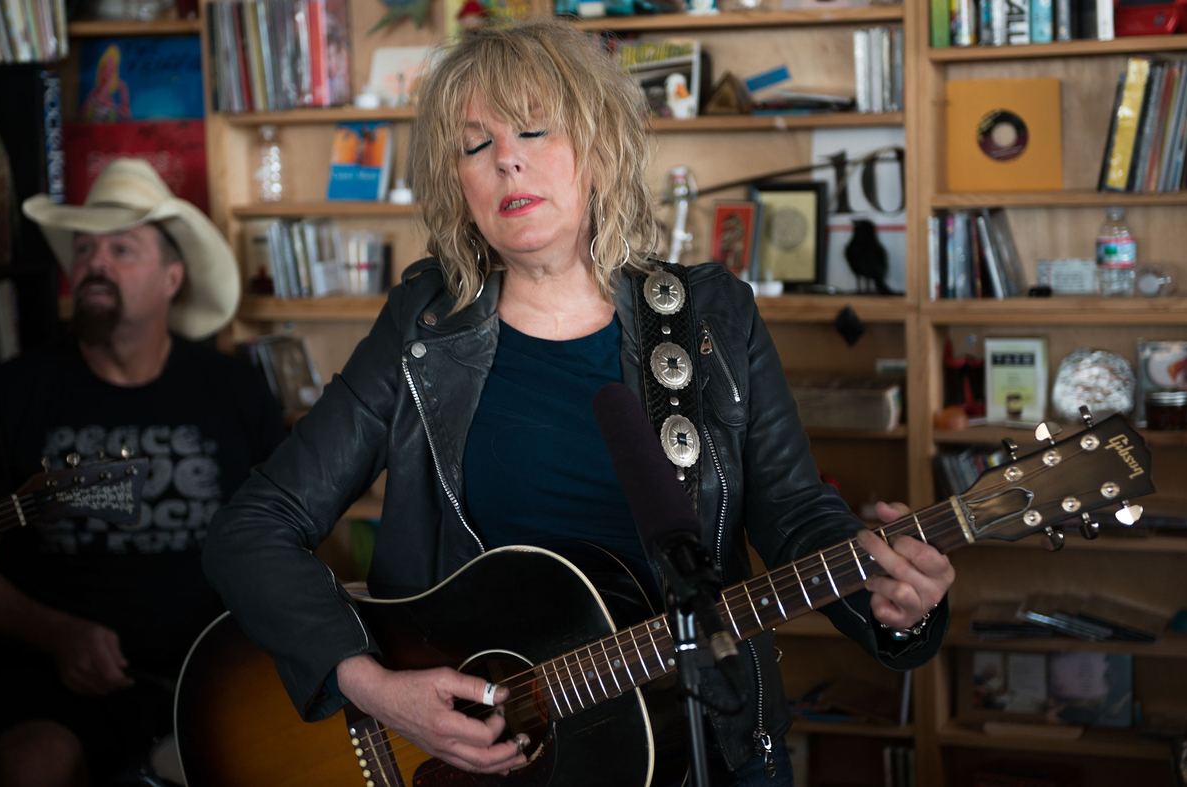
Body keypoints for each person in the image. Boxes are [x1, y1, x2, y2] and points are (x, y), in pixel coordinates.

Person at [203, 20, 954, 787]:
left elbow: (794, 513)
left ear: (600, 149)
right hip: (496, 767)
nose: (507, 158)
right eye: (475, 145)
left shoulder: (712, 318)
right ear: (458, 185)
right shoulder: (420, 329)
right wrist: (372, 686)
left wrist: (888, 596)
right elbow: (251, 529)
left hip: (708, 746)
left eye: (534, 129)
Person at [0, 159, 285, 787]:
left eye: (121, 249)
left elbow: (289, 538)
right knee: (32, 766)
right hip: (48, 675)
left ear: (172, 278)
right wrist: (55, 634)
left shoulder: (236, 391)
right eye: (84, 249)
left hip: (216, 670)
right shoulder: (10, 396)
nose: (95, 263)